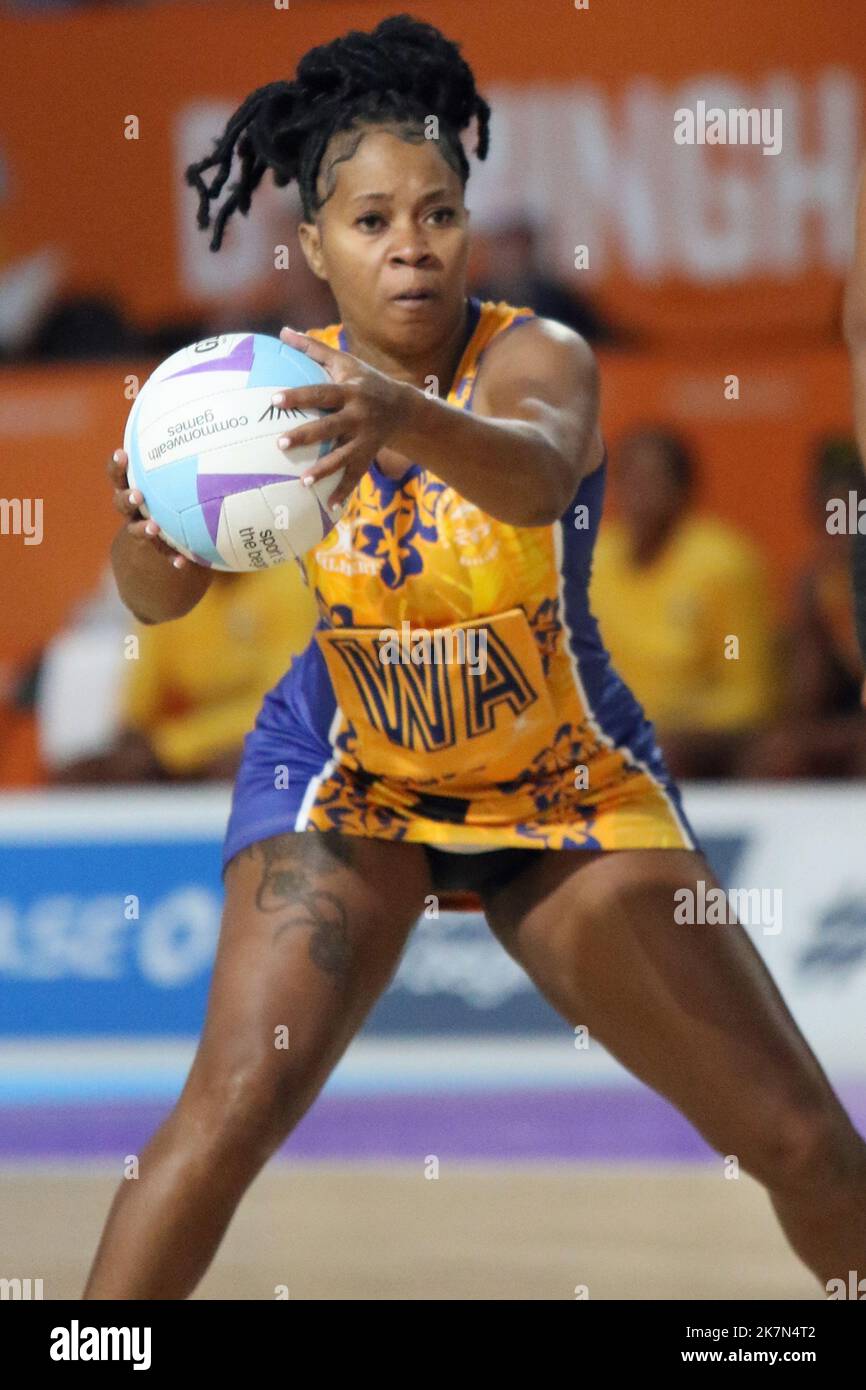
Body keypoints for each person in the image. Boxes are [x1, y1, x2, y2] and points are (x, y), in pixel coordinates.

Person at [85, 14, 866, 1299]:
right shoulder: (260, 395)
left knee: (805, 1147)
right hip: (352, 780)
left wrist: (399, 412)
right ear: (319, 246)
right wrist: (151, 524)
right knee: (227, 1113)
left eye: (436, 213)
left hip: (564, 784)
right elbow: (157, 597)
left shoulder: (530, 357)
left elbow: (536, 474)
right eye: (373, 220)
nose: (410, 246)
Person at [589, 427, 778, 778]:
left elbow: (749, 696)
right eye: (628, 481)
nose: (638, 496)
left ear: (684, 489)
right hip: (607, 732)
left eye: (652, 481)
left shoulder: (724, 563)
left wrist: (668, 725)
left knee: (661, 752)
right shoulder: (593, 561)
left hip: (699, 739)